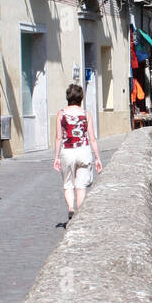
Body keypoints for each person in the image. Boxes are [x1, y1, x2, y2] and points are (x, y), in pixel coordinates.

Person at [54, 83, 102, 219]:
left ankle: (71, 208)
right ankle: (79, 216)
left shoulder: (61, 113)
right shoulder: (85, 114)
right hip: (83, 151)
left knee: (68, 184)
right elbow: (92, 138)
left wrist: (56, 157)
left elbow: (58, 137)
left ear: (67, 97)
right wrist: (98, 158)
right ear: (81, 98)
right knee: (81, 186)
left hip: (67, 151)